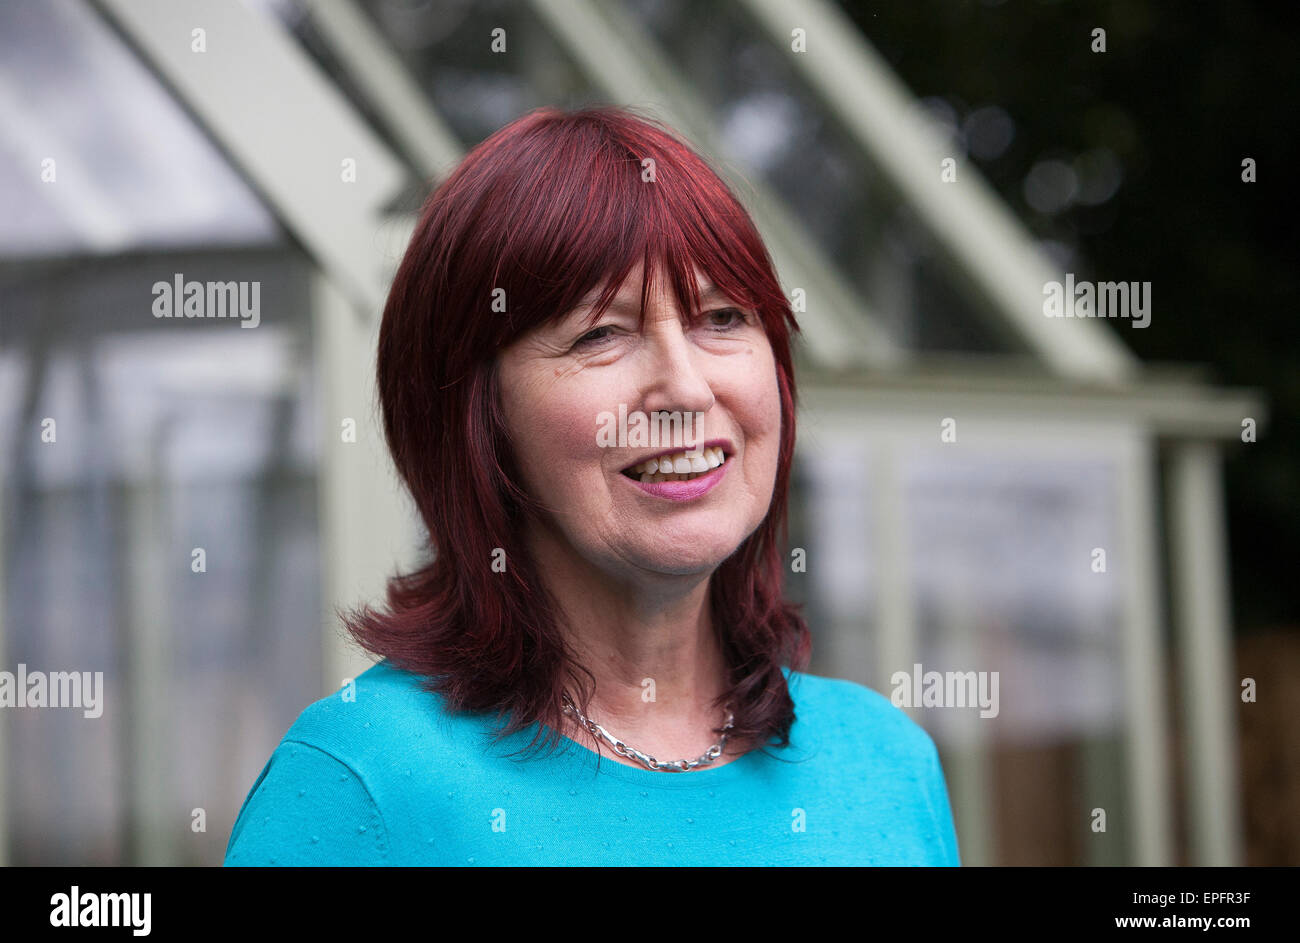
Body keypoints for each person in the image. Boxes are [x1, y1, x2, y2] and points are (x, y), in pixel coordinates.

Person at [223, 105, 960, 866]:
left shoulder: (886, 765)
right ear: (478, 414)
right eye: (600, 333)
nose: (685, 388)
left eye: (722, 317)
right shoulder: (361, 786)